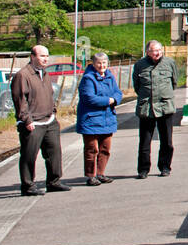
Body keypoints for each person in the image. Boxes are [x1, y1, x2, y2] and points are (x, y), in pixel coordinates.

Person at [10, 45, 69, 195]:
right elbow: (20, 100)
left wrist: (53, 113)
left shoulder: (45, 74)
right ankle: (28, 186)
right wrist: (27, 120)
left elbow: (49, 95)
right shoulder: (23, 75)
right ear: (32, 57)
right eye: (42, 56)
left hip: (49, 121)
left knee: (54, 153)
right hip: (33, 124)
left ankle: (54, 182)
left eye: (47, 56)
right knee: (29, 155)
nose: (46, 59)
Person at [133, 40, 178, 178]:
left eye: (159, 50)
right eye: (154, 50)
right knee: (145, 141)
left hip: (165, 107)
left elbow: (174, 82)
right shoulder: (139, 65)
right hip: (147, 107)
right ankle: (143, 169)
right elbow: (137, 86)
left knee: (167, 141)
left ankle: (165, 167)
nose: (157, 53)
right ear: (148, 52)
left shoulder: (169, 63)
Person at [76, 51, 122, 186]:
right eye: (99, 63)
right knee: (92, 149)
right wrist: (108, 100)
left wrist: (115, 99)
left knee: (105, 148)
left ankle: (101, 173)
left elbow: (118, 92)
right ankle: (91, 175)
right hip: (90, 119)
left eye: (104, 63)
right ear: (94, 63)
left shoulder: (110, 77)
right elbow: (89, 98)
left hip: (107, 118)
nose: (102, 66)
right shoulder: (88, 79)